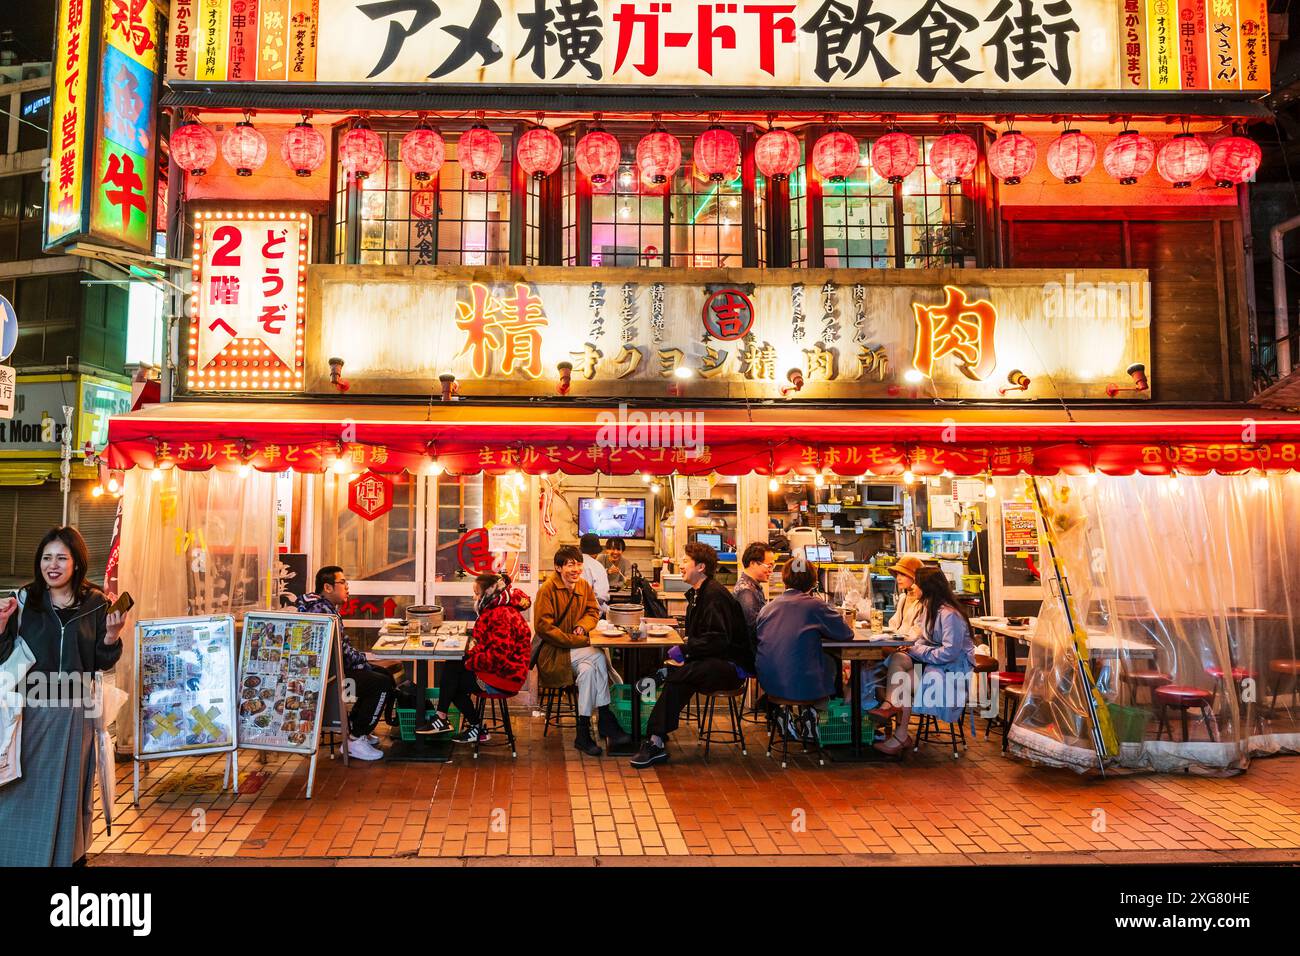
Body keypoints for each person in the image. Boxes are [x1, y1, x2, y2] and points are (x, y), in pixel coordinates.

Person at [0, 526, 128, 867]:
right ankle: (16, 855)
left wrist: (113, 636)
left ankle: (66, 859)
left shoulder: (96, 603)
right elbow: (3, 657)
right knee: (19, 785)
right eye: (46, 558)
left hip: (75, 714)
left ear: (76, 563)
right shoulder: (25, 600)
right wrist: (0, 628)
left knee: (70, 791)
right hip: (30, 711)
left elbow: (101, 661)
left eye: (61, 558)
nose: (52, 565)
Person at [631, 542, 754, 769]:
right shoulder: (697, 595)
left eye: (685, 561)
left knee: (683, 673)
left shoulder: (714, 595)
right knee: (679, 680)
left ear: (701, 567)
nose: (680, 565)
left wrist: (686, 650)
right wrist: (686, 652)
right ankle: (655, 739)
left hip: (731, 668)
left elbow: (718, 640)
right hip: (708, 662)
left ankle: (666, 677)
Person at [534, 545, 631, 756]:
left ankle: (583, 733)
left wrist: (583, 626)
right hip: (553, 654)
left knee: (589, 671)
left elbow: (593, 611)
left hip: (578, 653)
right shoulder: (547, 590)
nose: (576, 569)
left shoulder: (583, 586)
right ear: (558, 567)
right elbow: (543, 627)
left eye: (579, 564)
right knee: (596, 654)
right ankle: (605, 718)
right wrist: (574, 639)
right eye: (570, 565)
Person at [873, 567, 976, 757]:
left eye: (917, 584)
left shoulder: (949, 614)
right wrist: (910, 648)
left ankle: (899, 730)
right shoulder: (930, 608)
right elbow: (922, 638)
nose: (914, 587)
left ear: (927, 587)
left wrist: (917, 650)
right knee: (898, 658)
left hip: (950, 673)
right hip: (934, 666)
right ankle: (890, 709)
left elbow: (949, 653)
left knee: (900, 682)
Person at [421, 572, 533, 745]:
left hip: (505, 678)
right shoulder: (499, 609)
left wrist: (469, 660)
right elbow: (490, 647)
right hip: (504, 672)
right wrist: (470, 655)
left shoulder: (501, 615)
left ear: (489, 591)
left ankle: (452, 720)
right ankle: (457, 722)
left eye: (477, 593)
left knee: (452, 678)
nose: (474, 597)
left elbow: (497, 657)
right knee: (453, 671)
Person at [297, 566, 394, 762]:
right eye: (343, 583)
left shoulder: (325, 607)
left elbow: (342, 649)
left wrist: (364, 661)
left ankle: (358, 730)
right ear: (328, 587)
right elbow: (340, 652)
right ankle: (354, 739)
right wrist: (365, 661)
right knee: (380, 684)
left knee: (385, 676)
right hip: (329, 677)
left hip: (338, 669)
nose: (347, 588)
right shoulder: (320, 611)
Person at [754, 559, 853, 740]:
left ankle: (790, 712)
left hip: (768, 682)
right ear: (814, 582)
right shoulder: (816, 606)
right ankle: (814, 713)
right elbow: (846, 634)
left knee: (806, 659)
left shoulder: (767, 608)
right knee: (830, 662)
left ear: (784, 580)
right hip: (802, 684)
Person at [733, 542, 775, 640]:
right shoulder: (746, 591)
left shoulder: (752, 586)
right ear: (752, 563)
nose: (771, 570)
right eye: (769, 566)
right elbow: (754, 629)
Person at [887, 555, 926, 637]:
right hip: (898, 642)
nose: (898, 578)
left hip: (912, 645)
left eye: (903, 575)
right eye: (897, 574)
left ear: (915, 578)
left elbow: (918, 632)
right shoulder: (903, 598)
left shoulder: (923, 602)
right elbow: (893, 623)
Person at [578, 533, 611, 615]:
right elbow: (601, 597)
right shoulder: (597, 566)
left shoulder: (572, 563)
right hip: (591, 615)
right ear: (597, 552)